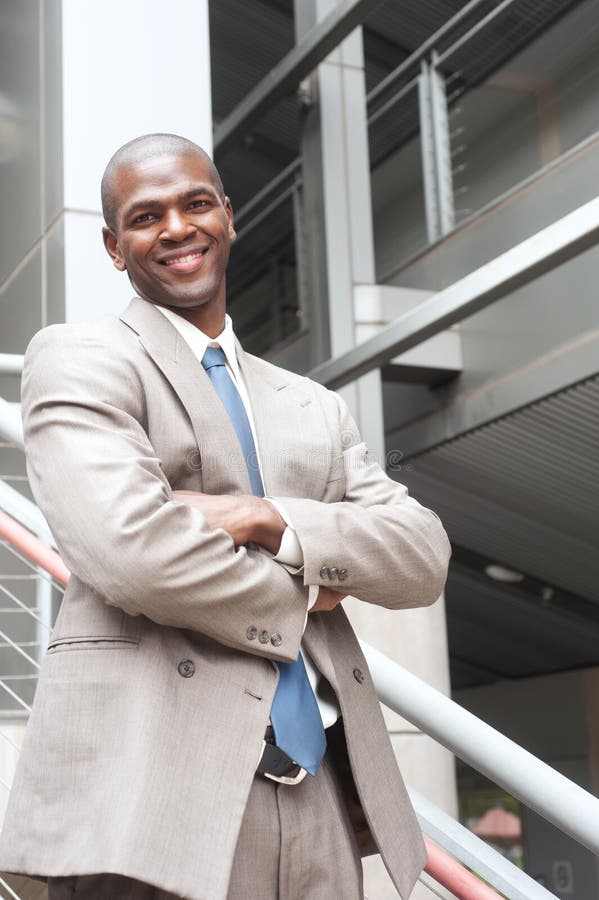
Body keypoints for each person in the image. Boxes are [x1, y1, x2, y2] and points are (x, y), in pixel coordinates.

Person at [0, 134, 451, 900]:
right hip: (149, 797)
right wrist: (316, 584)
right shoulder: (81, 359)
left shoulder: (311, 404)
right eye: (146, 217)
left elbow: (419, 553)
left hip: (318, 799)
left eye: (195, 203)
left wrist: (265, 519)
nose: (177, 228)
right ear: (113, 246)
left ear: (228, 217)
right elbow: (133, 550)